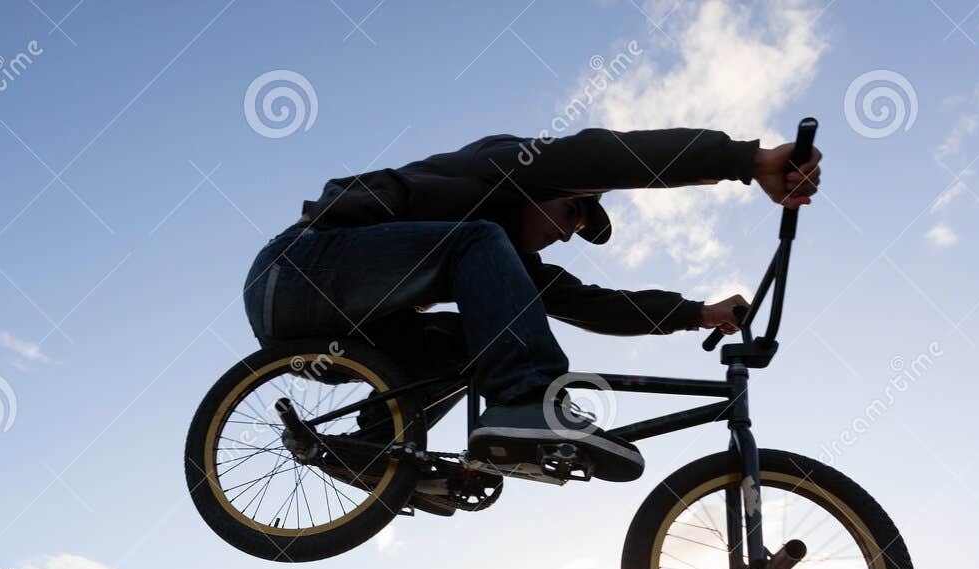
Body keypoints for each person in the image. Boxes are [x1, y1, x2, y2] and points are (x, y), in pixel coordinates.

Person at [242, 126, 820, 489]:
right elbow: (611, 154)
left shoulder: (500, 263)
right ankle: (523, 405)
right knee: (478, 239)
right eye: (572, 212)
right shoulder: (504, 170)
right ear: (552, 185)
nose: (569, 233)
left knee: (480, 339)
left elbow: (592, 305)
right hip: (295, 271)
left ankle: (375, 450)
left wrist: (696, 313)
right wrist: (748, 160)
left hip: (345, 327)